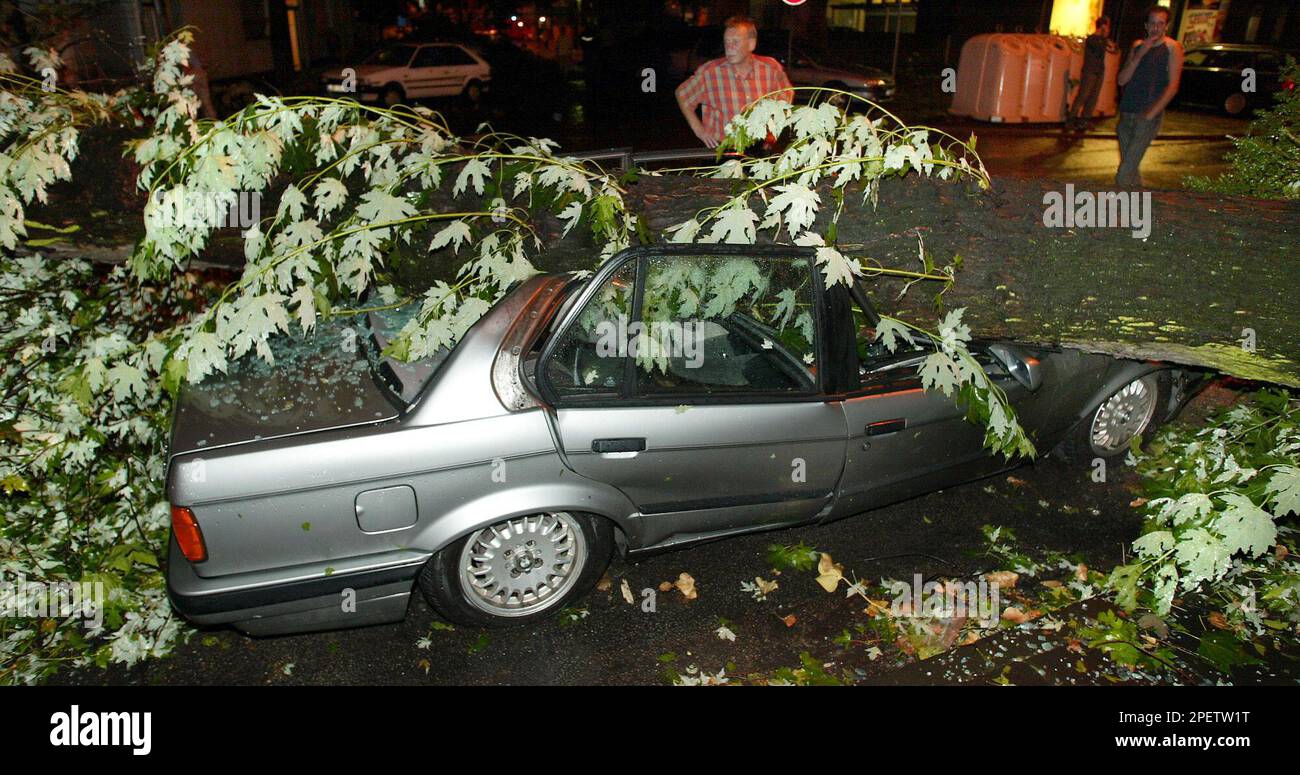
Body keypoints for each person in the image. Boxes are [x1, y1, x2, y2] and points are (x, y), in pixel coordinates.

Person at [674, 16, 793, 149]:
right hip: (722, 149)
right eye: (726, 42)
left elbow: (786, 96)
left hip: (758, 148)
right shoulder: (711, 72)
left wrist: (772, 133)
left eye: (735, 42)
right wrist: (699, 130)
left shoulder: (770, 68)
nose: (729, 48)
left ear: (751, 44)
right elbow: (682, 94)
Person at [1114, 5, 1183, 186]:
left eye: (1160, 24)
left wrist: (1151, 114)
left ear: (1166, 26)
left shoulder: (1172, 48)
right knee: (1130, 167)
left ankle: (1115, 209)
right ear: (1146, 25)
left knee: (1124, 171)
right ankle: (1142, 205)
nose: (1156, 28)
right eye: (1152, 23)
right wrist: (1140, 54)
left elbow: (1173, 86)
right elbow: (1122, 80)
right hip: (1127, 111)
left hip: (1148, 116)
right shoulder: (1138, 46)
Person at [1066, 16, 1115, 131]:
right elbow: (1098, 49)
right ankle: (1071, 119)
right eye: (1107, 26)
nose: (1108, 29)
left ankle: (1084, 120)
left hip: (1099, 71)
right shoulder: (1092, 39)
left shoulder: (1102, 40)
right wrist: (1103, 36)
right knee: (1083, 95)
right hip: (1090, 71)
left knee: (1093, 97)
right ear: (1102, 26)